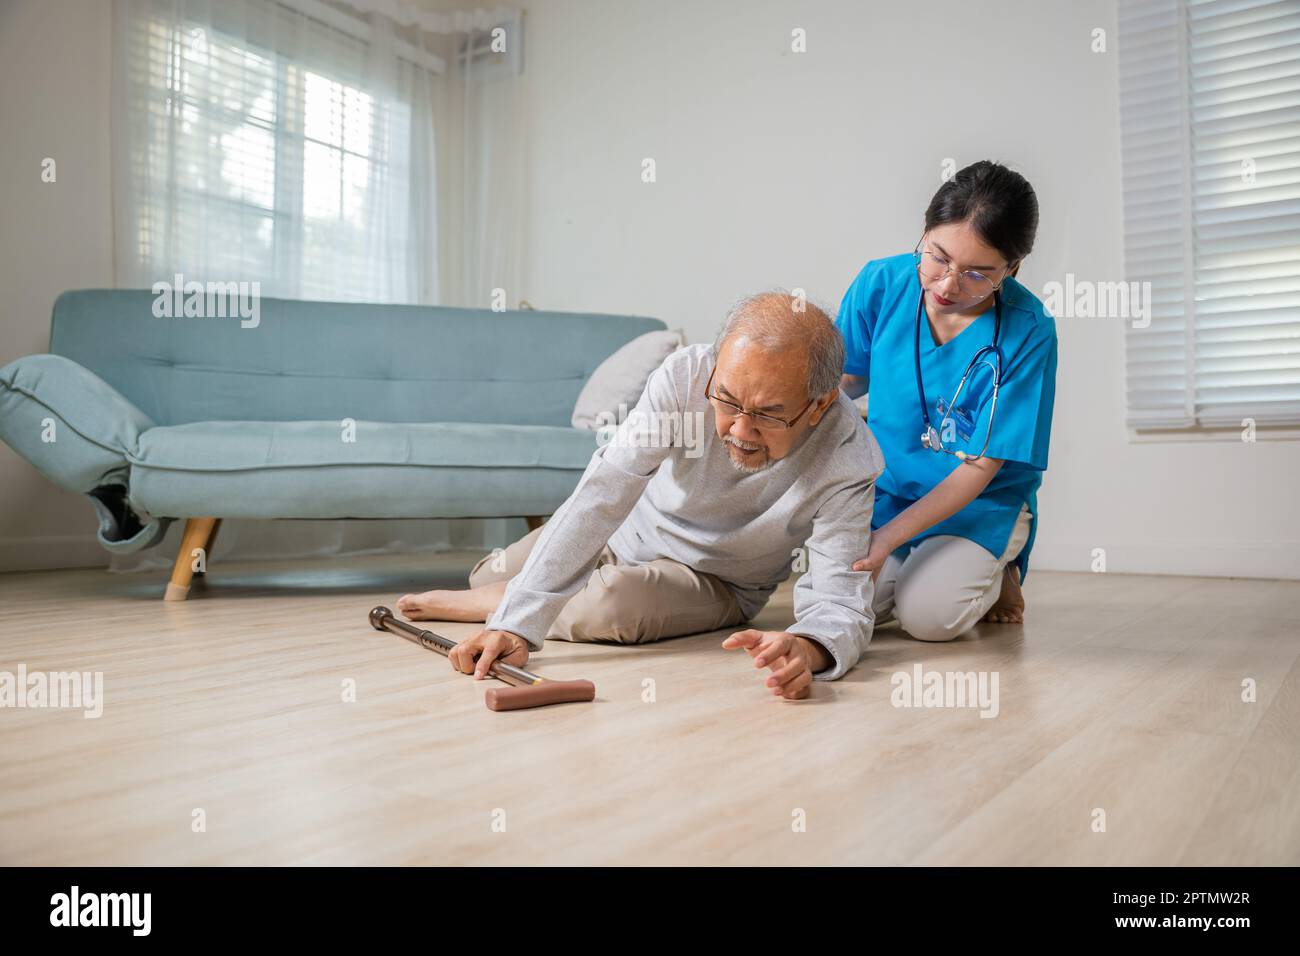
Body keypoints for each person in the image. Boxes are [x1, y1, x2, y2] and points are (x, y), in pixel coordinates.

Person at [397, 292, 885, 699]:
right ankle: (499, 592)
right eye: (728, 401)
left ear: (820, 404)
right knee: (492, 569)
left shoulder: (849, 454)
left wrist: (810, 647)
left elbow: (840, 600)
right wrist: (518, 621)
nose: (739, 429)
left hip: (714, 579)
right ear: (715, 369)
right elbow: (603, 492)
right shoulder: (685, 376)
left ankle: (500, 600)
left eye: (768, 414)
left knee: (608, 603)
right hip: (627, 533)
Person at [837, 160, 1058, 642]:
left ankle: (1001, 569)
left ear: (1011, 269)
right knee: (841, 600)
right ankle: (920, 565)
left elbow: (980, 467)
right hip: (890, 492)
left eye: (977, 274)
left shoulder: (1029, 330)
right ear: (923, 233)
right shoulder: (881, 284)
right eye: (937, 257)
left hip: (978, 498)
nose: (946, 286)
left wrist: (885, 541)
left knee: (929, 620)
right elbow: (844, 380)